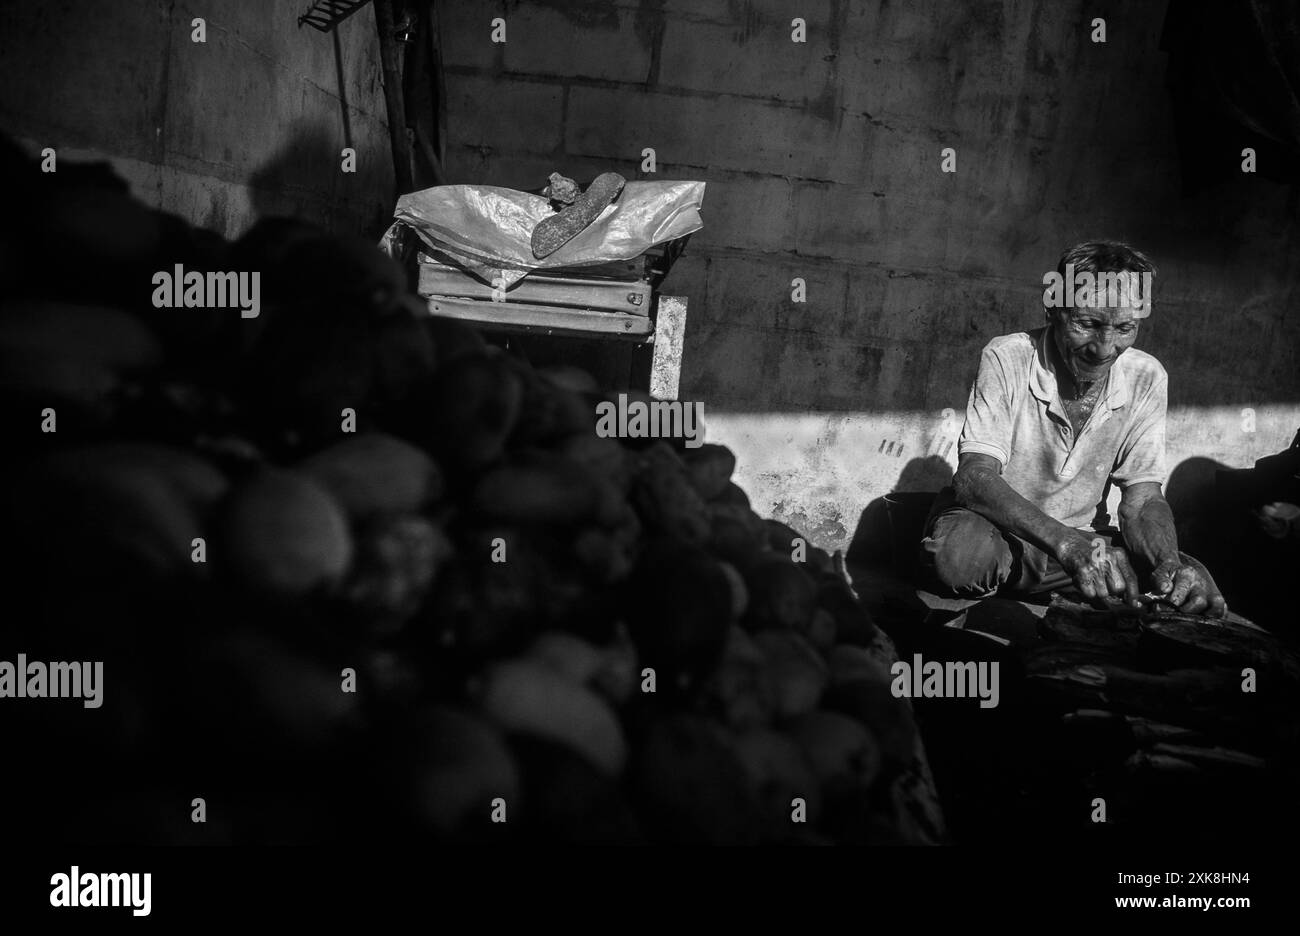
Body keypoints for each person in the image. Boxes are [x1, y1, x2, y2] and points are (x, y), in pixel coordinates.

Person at [919, 241, 1227, 616]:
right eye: (1088, 324)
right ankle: (1093, 573)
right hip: (998, 530)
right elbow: (974, 477)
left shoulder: (1147, 376)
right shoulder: (1008, 356)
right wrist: (1066, 546)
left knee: (1183, 576)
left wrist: (1168, 563)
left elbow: (1143, 499)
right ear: (1054, 309)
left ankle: (1096, 571)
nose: (1105, 348)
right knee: (963, 558)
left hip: (1083, 540)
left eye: (1125, 328)